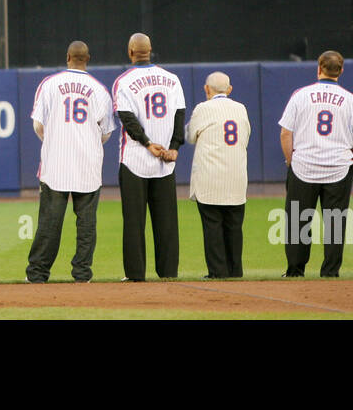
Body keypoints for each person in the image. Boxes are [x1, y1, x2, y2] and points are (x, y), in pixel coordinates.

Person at [26, 41, 115, 283]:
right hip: (88, 164)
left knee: (49, 223)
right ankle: (82, 274)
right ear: (88, 58)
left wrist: (54, 140)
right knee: (86, 224)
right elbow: (106, 132)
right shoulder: (99, 90)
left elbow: (38, 125)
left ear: (68, 57)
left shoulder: (49, 84)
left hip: (55, 164)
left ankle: (37, 274)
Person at [278, 50, 353, 278]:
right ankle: (330, 271)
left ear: (319, 68)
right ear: (341, 70)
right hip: (338, 168)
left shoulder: (300, 95)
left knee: (299, 222)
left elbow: (285, 133)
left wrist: (291, 161)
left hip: (304, 166)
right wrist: (352, 164)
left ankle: (295, 270)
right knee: (335, 222)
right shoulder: (352, 100)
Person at [113, 32, 185, 281]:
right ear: (150, 50)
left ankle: (135, 275)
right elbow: (179, 115)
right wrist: (174, 146)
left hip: (135, 159)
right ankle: (168, 273)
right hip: (166, 160)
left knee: (134, 222)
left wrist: (146, 143)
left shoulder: (124, 80)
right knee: (166, 222)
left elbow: (127, 118)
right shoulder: (172, 79)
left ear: (130, 52)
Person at [186, 71, 252, 279]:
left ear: (207, 89)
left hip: (210, 178)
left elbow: (190, 137)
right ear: (229, 90)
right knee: (234, 227)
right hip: (236, 176)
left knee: (212, 227)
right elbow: (246, 136)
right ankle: (235, 271)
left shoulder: (203, 109)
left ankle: (217, 272)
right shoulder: (240, 108)